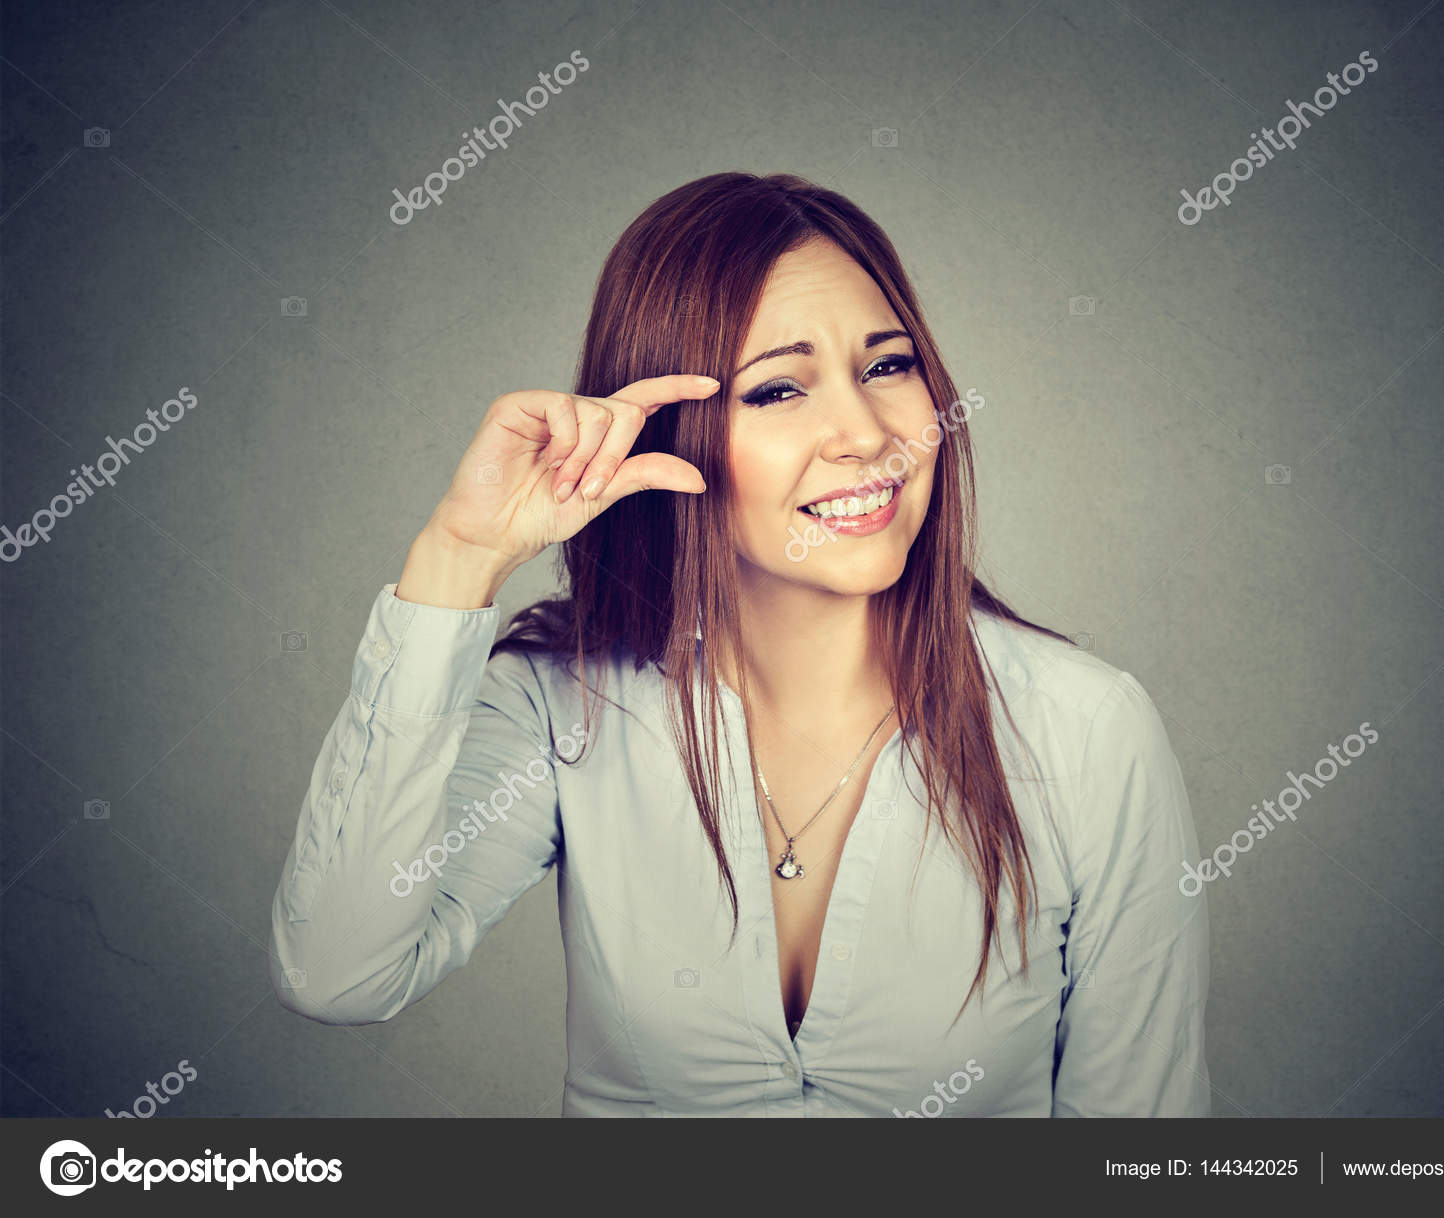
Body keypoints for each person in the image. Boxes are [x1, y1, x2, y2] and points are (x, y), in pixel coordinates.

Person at [269, 171, 1211, 1117]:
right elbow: (337, 972)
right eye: (779, 389)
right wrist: (460, 553)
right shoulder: (565, 707)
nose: (864, 433)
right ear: (670, 436)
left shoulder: (1086, 729)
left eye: (888, 366)